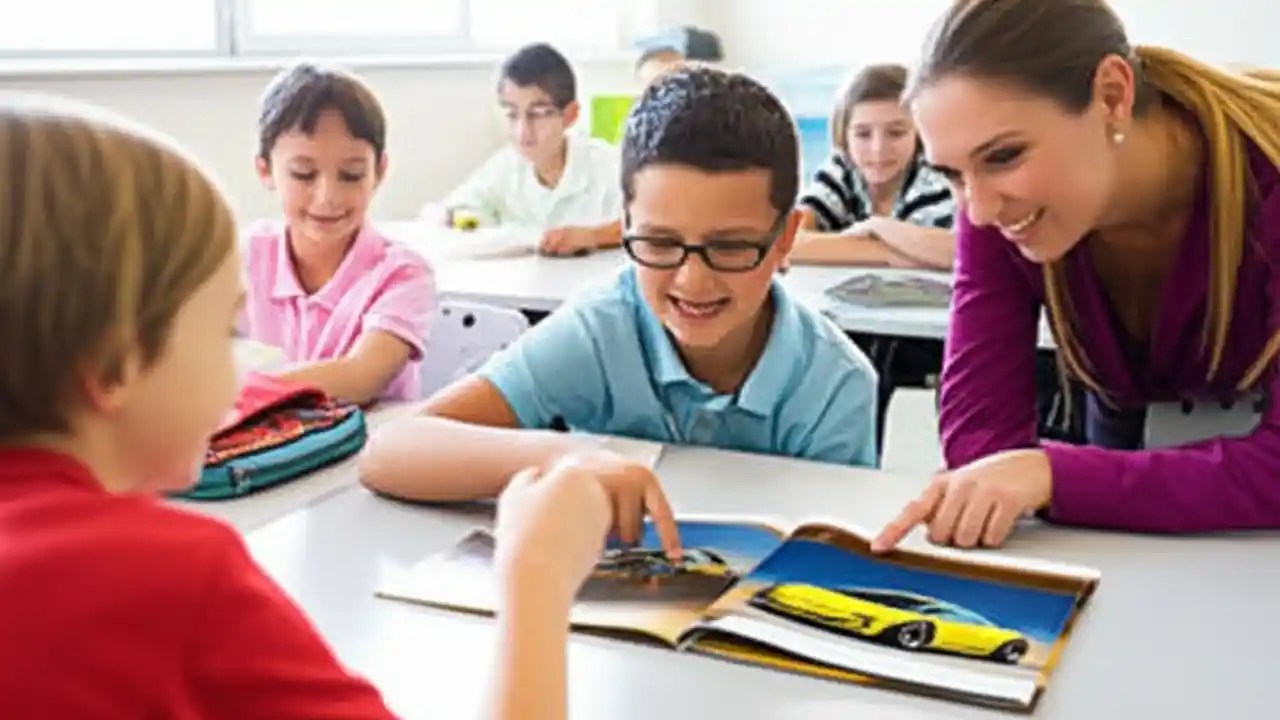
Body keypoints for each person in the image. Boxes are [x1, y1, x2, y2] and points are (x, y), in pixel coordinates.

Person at [0, 93, 630, 720]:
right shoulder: (175, 580)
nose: (240, 375)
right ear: (114, 364)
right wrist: (537, 578)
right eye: (224, 334)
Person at [359, 67, 881, 539]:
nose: (692, 280)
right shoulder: (602, 328)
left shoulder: (835, 384)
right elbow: (390, 449)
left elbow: (833, 553)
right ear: (624, 226)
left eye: (730, 247)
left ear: (786, 238)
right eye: (658, 243)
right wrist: (562, 454)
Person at [872, 0, 1280, 552]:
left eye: (1005, 156)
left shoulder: (1267, 178)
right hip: (1136, 449)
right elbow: (982, 442)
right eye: (951, 175)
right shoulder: (992, 202)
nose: (978, 212)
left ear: (1112, 96)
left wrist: (1055, 476)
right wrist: (1040, 478)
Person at [242, 62, 436, 404]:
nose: (327, 197)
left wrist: (241, 389)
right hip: (267, 450)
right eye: (303, 174)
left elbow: (361, 377)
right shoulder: (244, 257)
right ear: (265, 171)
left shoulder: (402, 273)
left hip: (369, 449)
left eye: (351, 175)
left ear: (379, 171)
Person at [425, 43, 624, 257]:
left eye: (538, 114)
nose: (523, 131)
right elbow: (458, 207)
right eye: (512, 115)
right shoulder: (505, 167)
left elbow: (651, 227)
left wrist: (593, 236)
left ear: (570, 115)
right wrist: (459, 218)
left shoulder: (609, 167)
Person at [790, 64, 956, 270]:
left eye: (896, 133)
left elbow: (952, 253)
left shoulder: (932, 177)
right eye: (863, 134)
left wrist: (874, 227)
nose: (878, 149)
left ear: (919, 133)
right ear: (845, 135)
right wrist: (886, 252)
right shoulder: (842, 168)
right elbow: (790, 241)